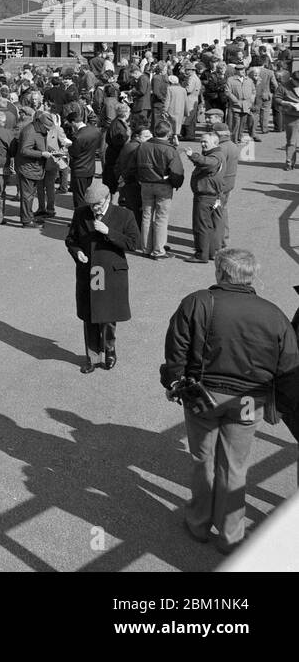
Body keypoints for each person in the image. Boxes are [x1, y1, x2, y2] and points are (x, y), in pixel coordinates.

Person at [162, 249, 299, 554]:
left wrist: (173, 381)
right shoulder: (273, 314)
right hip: (250, 400)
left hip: (204, 394)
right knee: (235, 466)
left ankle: (198, 523)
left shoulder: (197, 302)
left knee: (203, 460)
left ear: (221, 273)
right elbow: (289, 364)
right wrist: (286, 405)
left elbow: (176, 348)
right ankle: (231, 535)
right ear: (252, 276)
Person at [65, 180, 140, 373]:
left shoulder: (124, 215)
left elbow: (134, 243)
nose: (94, 208)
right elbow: (71, 239)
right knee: (89, 316)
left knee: (108, 316)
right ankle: (92, 357)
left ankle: (109, 351)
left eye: (97, 204)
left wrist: (109, 232)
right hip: (88, 272)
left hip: (110, 273)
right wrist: (76, 252)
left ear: (108, 198)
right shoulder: (81, 214)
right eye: (91, 205)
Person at [135, 119, 185, 259]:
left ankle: (146, 247)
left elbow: (136, 164)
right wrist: (175, 183)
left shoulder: (143, 146)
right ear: (168, 133)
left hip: (145, 183)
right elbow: (177, 171)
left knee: (146, 215)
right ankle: (158, 250)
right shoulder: (169, 149)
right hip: (163, 185)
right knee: (161, 218)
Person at [184, 129, 225, 263]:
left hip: (205, 196)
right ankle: (210, 252)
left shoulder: (216, 156)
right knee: (208, 226)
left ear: (215, 142)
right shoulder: (215, 154)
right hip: (210, 196)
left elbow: (208, 163)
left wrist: (193, 156)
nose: (202, 144)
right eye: (201, 141)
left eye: (205, 141)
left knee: (201, 226)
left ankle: (201, 255)